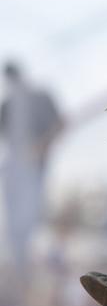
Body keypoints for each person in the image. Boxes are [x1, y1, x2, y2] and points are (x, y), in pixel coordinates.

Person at [0, 62, 63, 271]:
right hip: (14, 168)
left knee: (33, 215)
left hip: (35, 167)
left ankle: (36, 263)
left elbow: (60, 123)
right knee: (14, 219)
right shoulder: (7, 104)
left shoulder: (41, 96)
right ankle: (19, 265)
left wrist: (41, 146)